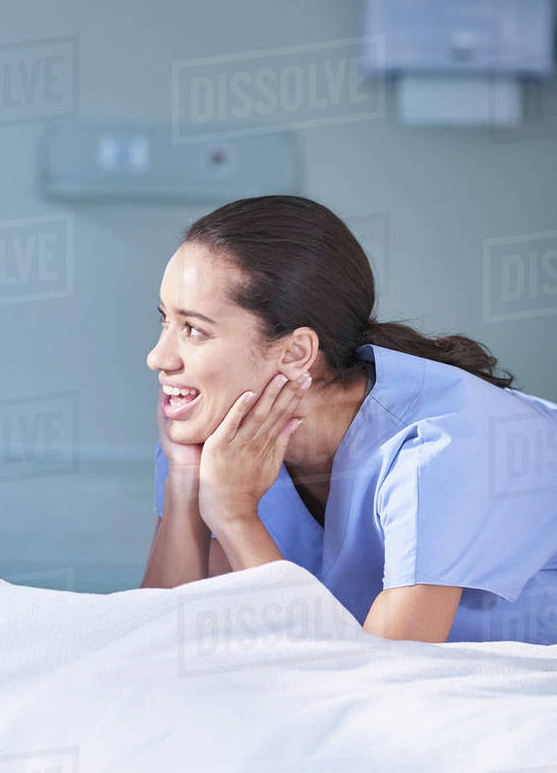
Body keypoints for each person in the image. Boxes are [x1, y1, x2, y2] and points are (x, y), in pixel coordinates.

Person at [140, 195, 557, 643]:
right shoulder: (221, 436)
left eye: (194, 330)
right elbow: (161, 644)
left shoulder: (439, 450)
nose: (157, 357)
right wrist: (185, 482)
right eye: (165, 320)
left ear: (295, 353)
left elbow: (380, 677)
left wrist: (236, 517)